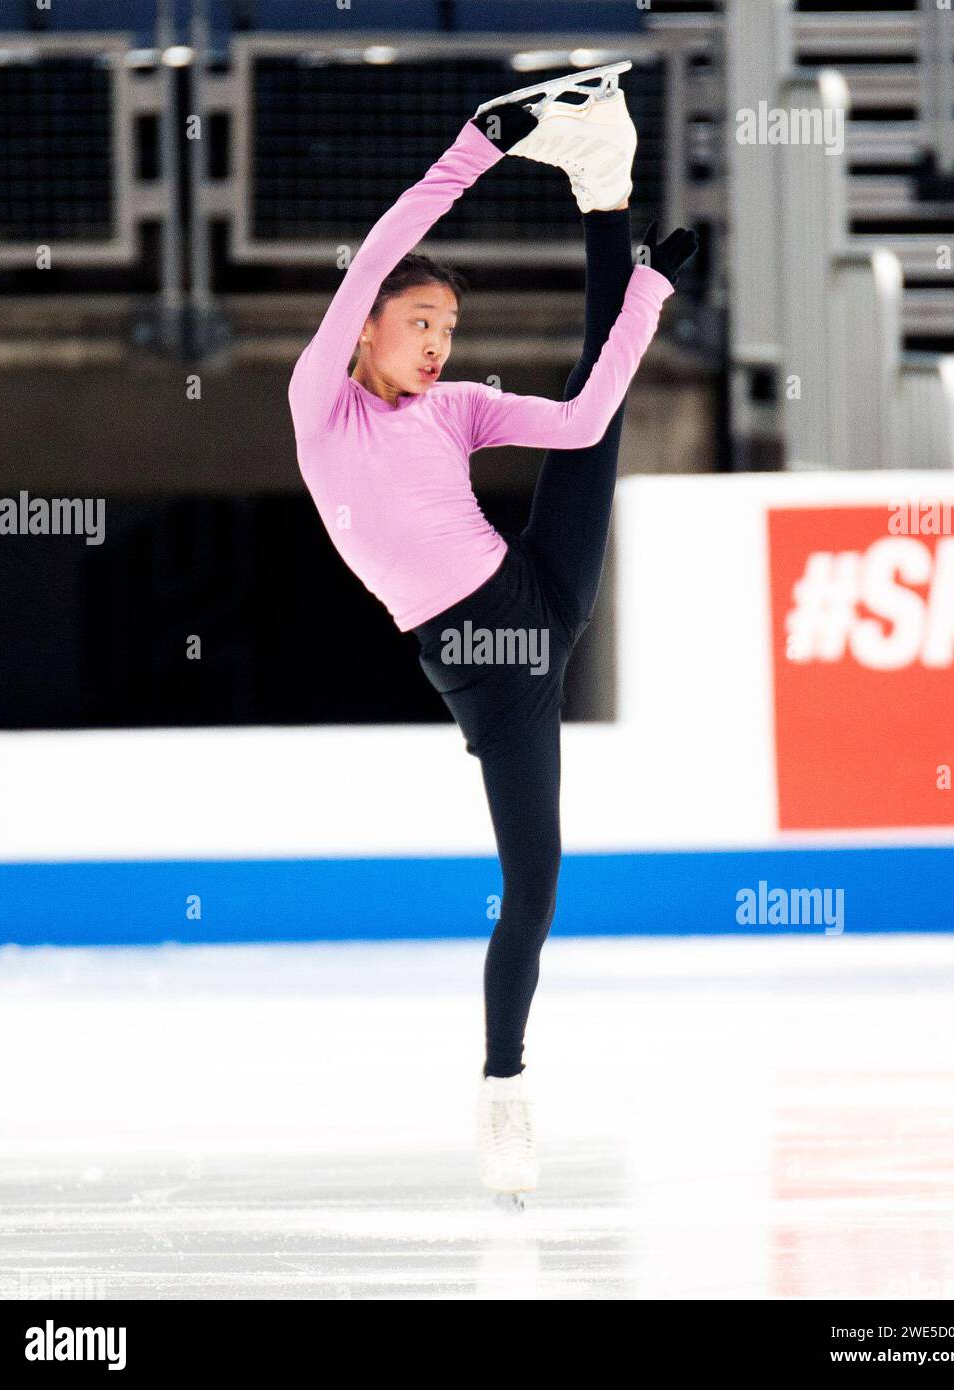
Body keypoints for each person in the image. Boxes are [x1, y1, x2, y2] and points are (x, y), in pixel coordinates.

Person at [288, 70, 698, 1199]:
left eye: (448, 327)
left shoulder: (456, 407)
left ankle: (602, 189)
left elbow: (576, 418)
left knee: (589, 420)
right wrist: (477, 147)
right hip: (488, 662)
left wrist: (648, 294)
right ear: (363, 327)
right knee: (534, 885)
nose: (435, 342)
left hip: (539, 590)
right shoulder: (319, 403)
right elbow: (382, 246)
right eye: (420, 324)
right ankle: (503, 1088)